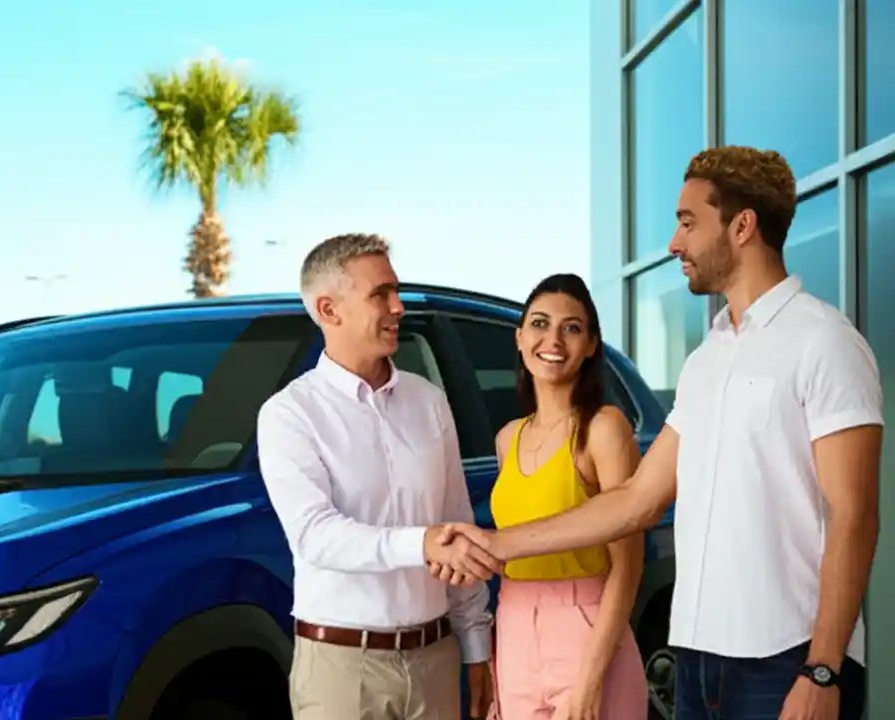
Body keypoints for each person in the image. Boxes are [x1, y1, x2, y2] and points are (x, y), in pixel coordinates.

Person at [436, 146, 883, 719]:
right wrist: (497, 544)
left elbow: (855, 515)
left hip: (787, 660)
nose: (675, 243)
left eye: (689, 222)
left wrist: (824, 668)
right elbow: (637, 499)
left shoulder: (824, 341)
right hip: (698, 657)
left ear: (742, 226)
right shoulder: (707, 360)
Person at [257, 232, 495, 719]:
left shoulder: (428, 400)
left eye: (396, 291)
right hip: (343, 672)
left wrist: (476, 645)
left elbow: (455, 522)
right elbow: (315, 536)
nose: (398, 307)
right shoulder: (290, 414)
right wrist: (422, 544)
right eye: (380, 294)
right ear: (329, 309)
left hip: (436, 660)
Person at [432, 273, 649, 719]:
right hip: (512, 627)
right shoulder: (507, 439)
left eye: (571, 328)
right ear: (519, 336)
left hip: (587, 627)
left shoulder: (603, 428)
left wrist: (590, 678)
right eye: (539, 324)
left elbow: (628, 566)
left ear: (591, 345)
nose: (553, 339)